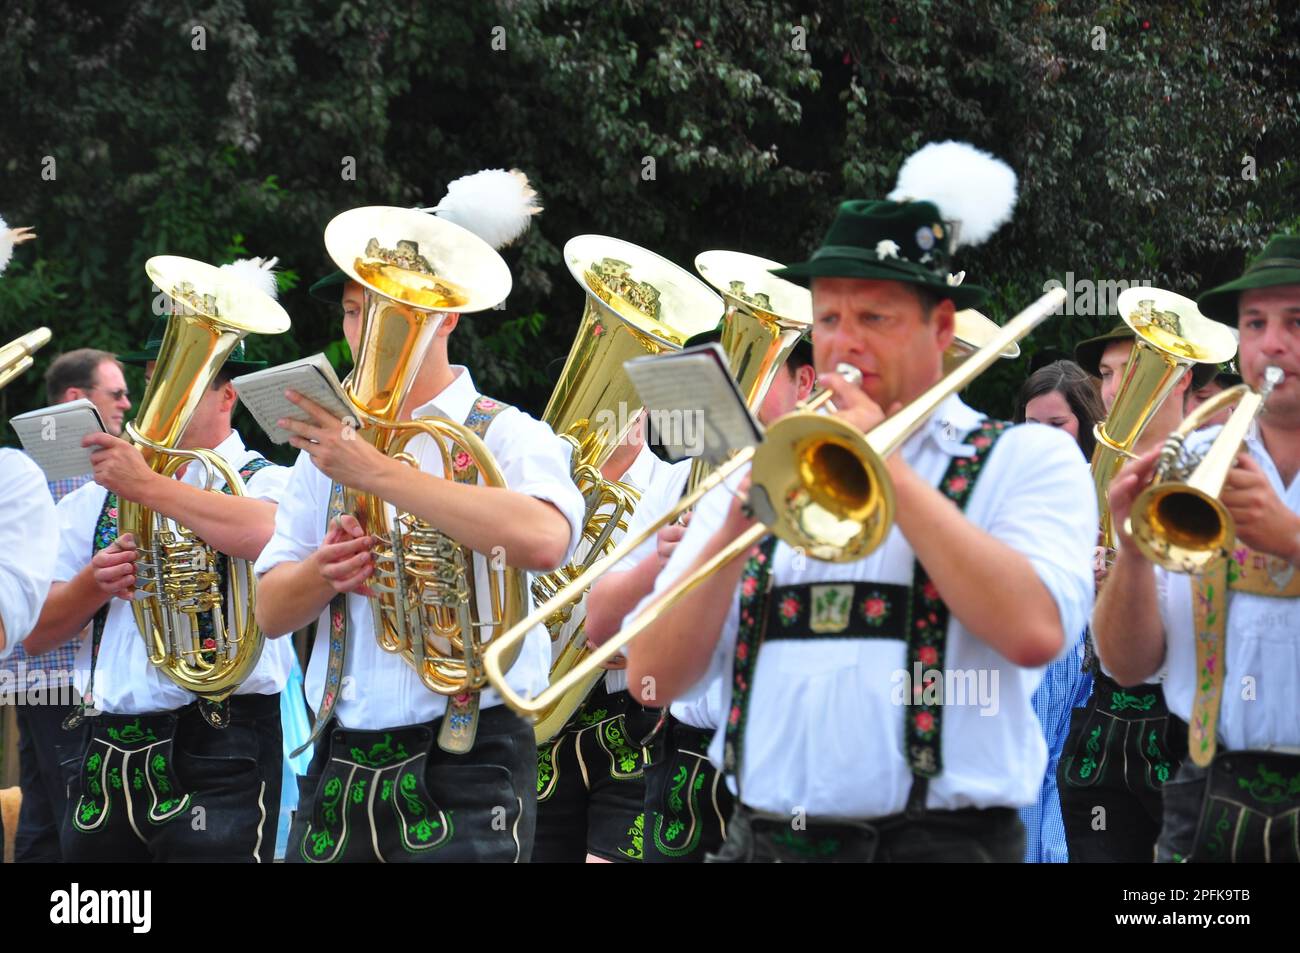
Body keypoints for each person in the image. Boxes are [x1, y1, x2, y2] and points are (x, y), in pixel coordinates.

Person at [625, 178, 1096, 862]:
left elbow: (1034, 631)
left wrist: (889, 467)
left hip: (936, 847)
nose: (844, 343)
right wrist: (734, 518)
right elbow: (652, 675)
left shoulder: (1025, 460)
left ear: (941, 329)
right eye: (828, 319)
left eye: (875, 318)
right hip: (760, 838)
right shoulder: (763, 467)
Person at [255, 190, 586, 864]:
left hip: (471, 753)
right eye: (354, 311)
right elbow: (266, 610)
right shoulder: (323, 451)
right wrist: (323, 574)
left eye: (389, 311)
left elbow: (546, 538)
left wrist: (379, 473)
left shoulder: (509, 432)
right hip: (341, 755)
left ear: (447, 317)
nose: (364, 331)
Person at [25, 285, 294, 863]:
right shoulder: (105, 493)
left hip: (222, 739)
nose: (156, 399)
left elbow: (268, 533)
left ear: (229, 394)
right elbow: (36, 630)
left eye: (184, 380)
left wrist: (147, 486)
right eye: (153, 379)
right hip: (109, 746)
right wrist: (92, 584)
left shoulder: (268, 479)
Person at [1094, 234, 1300, 862]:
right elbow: (1127, 668)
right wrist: (1133, 550)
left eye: (1296, 321)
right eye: (1255, 323)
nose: (1272, 343)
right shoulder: (1189, 463)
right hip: (1202, 792)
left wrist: (1288, 538)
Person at [586, 330, 816, 863]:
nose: (724, 395)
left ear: (805, 381)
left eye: (752, 374)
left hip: (788, 768)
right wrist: (655, 564)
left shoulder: (837, 486)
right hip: (682, 763)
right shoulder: (684, 480)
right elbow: (599, 627)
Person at [1057, 320, 1216, 862]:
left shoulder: (1217, 472)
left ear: (1182, 379)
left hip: (1191, 726)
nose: (1113, 390)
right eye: (1105, 373)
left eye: (1135, 372)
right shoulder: (1077, 482)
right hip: (1103, 713)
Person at [5, 348, 132, 862]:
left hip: (25, 672)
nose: (128, 403)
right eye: (116, 393)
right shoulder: (83, 471)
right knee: (75, 817)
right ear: (77, 400)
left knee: (40, 816)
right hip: (64, 671)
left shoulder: (23, 464)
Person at [1011, 359, 1105, 861]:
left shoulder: (1106, 489)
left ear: (1085, 426)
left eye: (1058, 426)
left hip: (1084, 660)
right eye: (1032, 427)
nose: (1044, 439)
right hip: (1026, 649)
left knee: (1050, 779)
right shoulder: (1008, 486)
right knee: (1029, 777)